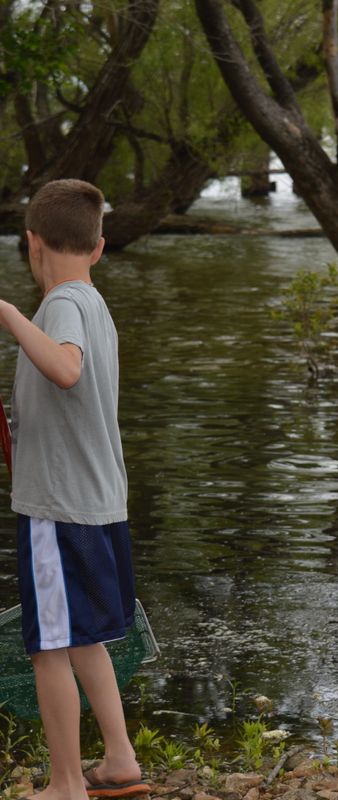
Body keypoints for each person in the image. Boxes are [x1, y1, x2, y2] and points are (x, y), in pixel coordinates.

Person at [0, 180, 147, 800]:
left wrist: (6, 314)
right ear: (99, 248)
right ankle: (118, 761)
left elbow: (64, 370)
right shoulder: (91, 302)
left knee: (49, 647)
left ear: (32, 244)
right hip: (96, 501)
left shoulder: (58, 304)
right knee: (83, 638)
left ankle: (66, 783)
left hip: (58, 511)